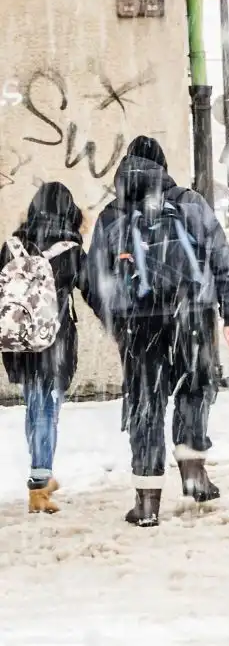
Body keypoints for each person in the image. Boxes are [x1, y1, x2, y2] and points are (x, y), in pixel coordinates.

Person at [86, 136, 229, 528]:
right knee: (194, 392)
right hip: (192, 316)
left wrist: (117, 322)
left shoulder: (111, 215)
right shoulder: (190, 204)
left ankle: (147, 502)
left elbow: (93, 280)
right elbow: (222, 259)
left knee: (145, 406)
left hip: (139, 326)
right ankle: (193, 477)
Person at [0, 183, 96, 513]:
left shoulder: (11, 246)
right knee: (47, 409)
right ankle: (39, 483)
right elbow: (94, 292)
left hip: (19, 344)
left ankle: (41, 472)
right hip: (55, 342)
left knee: (34, 405)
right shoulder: (69, 248)